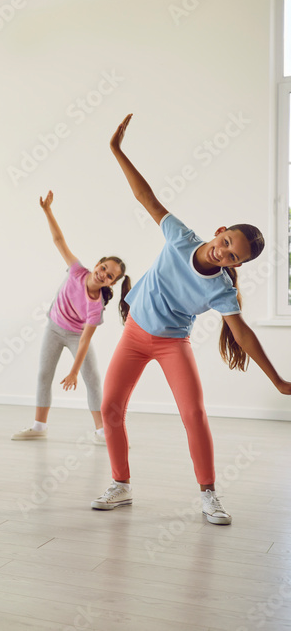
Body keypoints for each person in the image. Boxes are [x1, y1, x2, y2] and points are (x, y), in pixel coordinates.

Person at [92, 113, 291, 524]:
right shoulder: (180, 236)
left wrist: (277, 380)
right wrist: (117, 150)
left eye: (234, 256)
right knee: (110, 407)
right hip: (133, 335)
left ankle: (208, 494)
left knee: (194, 414)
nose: (224, 253)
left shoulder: (221, 289)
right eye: (226, 242)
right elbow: (145, 197)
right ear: (219, 231)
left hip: (170, 344)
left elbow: (245, 336)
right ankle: (121, 485)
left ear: (239, 263)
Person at [12, 191, 130, 444]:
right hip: (54, 328)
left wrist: (74, 371)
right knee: (44, 374)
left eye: (109, 276)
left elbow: (85, 340)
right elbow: (58, 240)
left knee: (93, 378)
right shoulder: (77, 270)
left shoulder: (95, 307)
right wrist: (47, 211)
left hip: (76, 336)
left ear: (112, 283)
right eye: (103, 268)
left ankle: (102, 432)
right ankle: (39, 426)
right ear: (97, 264)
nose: (103, 275)